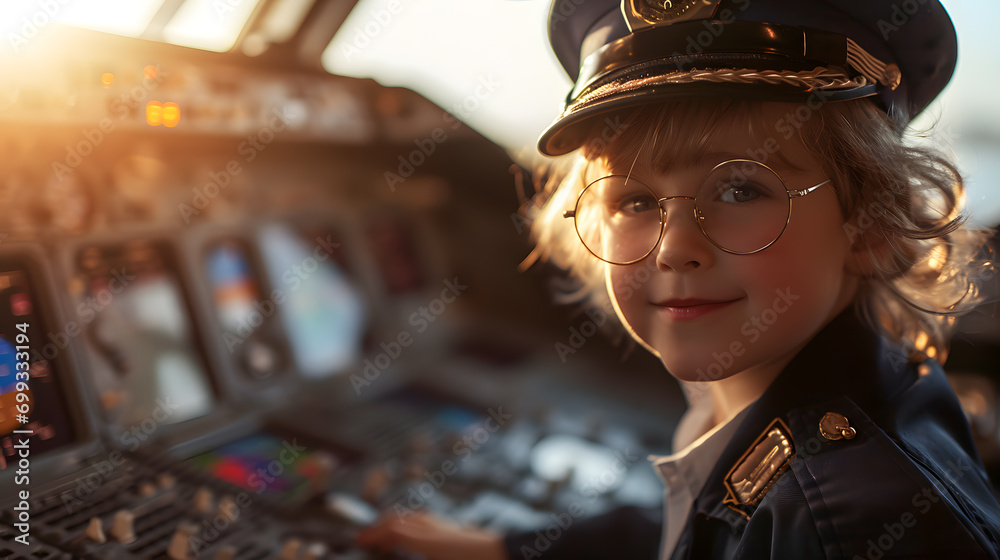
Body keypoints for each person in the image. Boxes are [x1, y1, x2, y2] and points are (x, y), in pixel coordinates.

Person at [358, 0, 1000, 558]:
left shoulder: (853, 527)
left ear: (872, 226)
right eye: (635, 202)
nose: (674, 250)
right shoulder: (778, 406)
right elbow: (701, 527)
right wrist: (502, 548)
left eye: (741, 189)